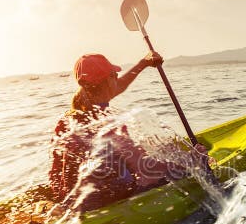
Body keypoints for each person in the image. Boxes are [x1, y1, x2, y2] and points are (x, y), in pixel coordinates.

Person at [48, 51, 205, 212]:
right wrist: (194, 162)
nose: (118, 78)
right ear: (108, 82)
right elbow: (148, 171)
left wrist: (143, 63)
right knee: (160, 167)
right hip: (98, 202)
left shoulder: (72, 117)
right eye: (114, 75)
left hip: (68, 197)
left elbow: (119, 86)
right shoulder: (109, 123)